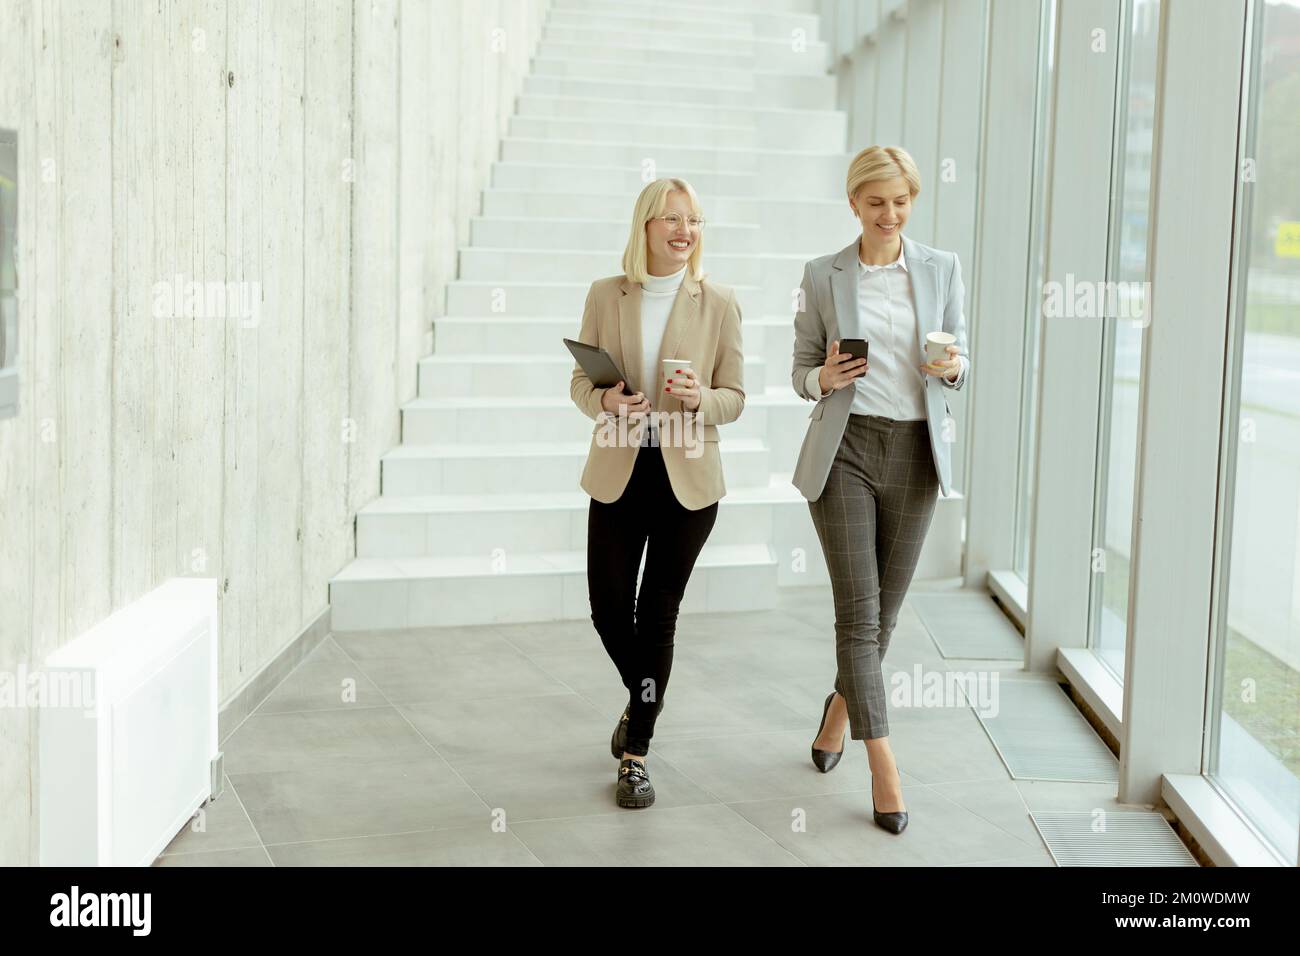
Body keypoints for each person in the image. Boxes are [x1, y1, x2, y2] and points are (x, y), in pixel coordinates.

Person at [790, 145, 970, 834]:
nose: (889, 214)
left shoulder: (941, 268)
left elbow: (960, 364)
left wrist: (953, 368)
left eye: (900, 201)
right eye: (876, 202)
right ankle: (885, 764)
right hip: (846, 450)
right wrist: (822, 379)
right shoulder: (822, 274)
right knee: (858, 618)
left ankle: (839, 713)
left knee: (884, 617)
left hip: (917, 453)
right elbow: (800, 368)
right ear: (854, 204)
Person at [569, 177, 745, 808]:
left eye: (693, 220)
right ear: (644, 225)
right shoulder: (606, 294)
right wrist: (605, 398)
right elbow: (580, 384)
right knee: (609, 608)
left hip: (687, 480)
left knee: (657, 615)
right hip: (620, 468)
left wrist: (703, 400)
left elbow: (736, 398)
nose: (683, 230)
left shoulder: (718, 302)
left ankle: (636, 750)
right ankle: (647, 692)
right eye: (672, 219)